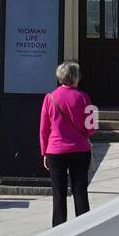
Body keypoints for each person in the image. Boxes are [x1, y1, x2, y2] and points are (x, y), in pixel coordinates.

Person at [39, 60, 95, 227]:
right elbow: (92, 126)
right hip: (80, 149)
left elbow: (43, 129)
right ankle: (84, 226)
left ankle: (59, 228)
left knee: (59, 193)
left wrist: (44, 152)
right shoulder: (85, 97)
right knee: (80, 190)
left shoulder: (49, 98)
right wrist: (82, 136)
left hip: (55, 150)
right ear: (75, 77)